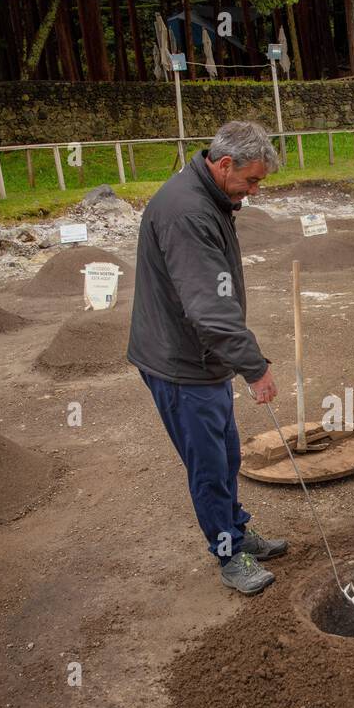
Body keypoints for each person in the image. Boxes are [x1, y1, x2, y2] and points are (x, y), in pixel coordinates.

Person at [127, 120, 286, 595]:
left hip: (200, 358)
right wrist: (254, 367)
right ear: (223, 165)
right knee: (209, 465)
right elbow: (209, 308)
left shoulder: (209, 197)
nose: (254, 191)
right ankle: (227, 553)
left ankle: (236, 531)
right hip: (179, 363)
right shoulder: (188, 213)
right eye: (251, 180)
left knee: (227, 451)